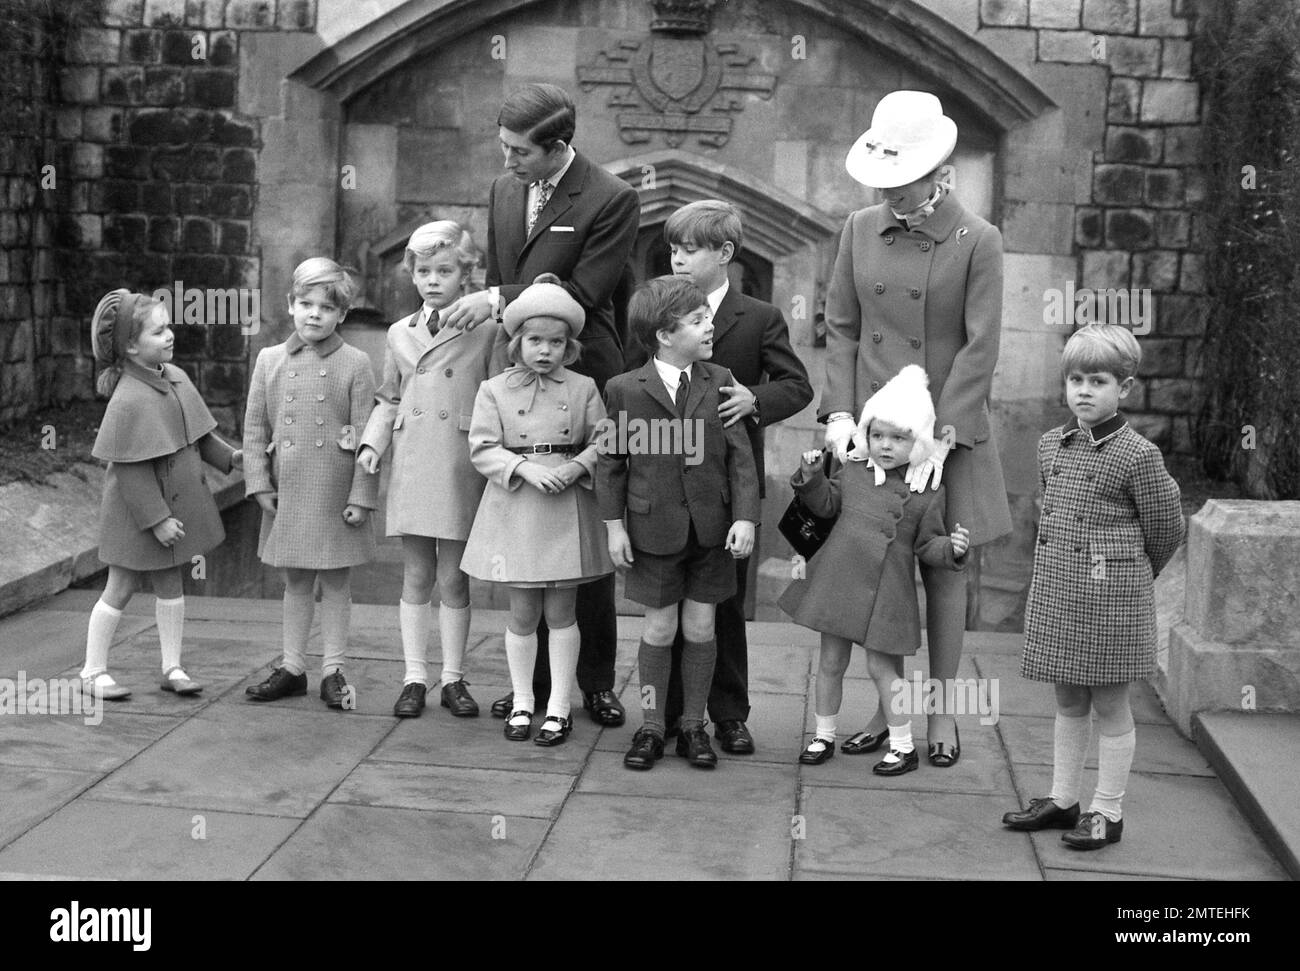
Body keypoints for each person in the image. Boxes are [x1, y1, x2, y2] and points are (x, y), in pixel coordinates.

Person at [820, 90, 1012, 765]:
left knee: (945, 569)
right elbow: (839, 327)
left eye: (903, 182)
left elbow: (981, 345)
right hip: (875, 439)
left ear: (939, 172)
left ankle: (941, 712)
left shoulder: (979, 240)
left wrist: (942, 432)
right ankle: (887, 704)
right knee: (880, 569)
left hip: (943, 439)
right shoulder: (857, 228)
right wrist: (841, 413)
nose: (890, 194)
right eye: (883, 182)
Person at [443, 82, 639, 728]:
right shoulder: (505, 190)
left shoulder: (611, 198)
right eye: (502, 148)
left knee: (584, 537)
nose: (507, 162)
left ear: (558, 147)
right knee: (527, 537)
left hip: (585, 370)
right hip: (519, 369)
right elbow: (512, 268)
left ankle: (597, 681)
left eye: (520, 151)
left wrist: (497, 297)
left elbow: (585, 289)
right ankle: (531, 688)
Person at [630, 199, 813, 755]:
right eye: (672, 249)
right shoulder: (660, 309)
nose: (677, 259)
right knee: (665, 611)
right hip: (664, 489)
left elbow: (797, 386)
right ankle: (661, 716)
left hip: (727, 485)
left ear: (725, 254)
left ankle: (728, 713)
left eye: (689, 250)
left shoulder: (757, 317)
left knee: (723, 605)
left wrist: (752, 398)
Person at [1002, 324, 1184, 849]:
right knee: (1066, 696)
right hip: (1060, 594)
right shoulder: (1051, 446)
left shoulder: (1138, 456)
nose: (1083, 390)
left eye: (1098, 380)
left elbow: (1167, 528)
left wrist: (1128, 578)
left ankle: (1108, 810)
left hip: (1112, 603)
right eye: (1075, 379)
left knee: (1110, 702)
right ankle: (1064, 799)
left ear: (1124, 388)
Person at [598, 276, 760, 771]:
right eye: (697, 321)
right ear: (665, 334)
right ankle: (651, 726)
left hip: (712, 533)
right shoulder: (625, 389)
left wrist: (746, 518)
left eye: (707, 318)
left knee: (701, 627)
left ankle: (693, 725)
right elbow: (611, 462)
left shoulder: (721, 379)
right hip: (653, 533)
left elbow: (741, 460)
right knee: (661, 629)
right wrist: (614, 526)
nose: (709, 326)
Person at [779, 366, 968, 773]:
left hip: (887, 590)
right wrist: (811, 478)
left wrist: (951, 549)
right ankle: (823, 734)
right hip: (838, 582)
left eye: (899, 438)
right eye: (878, 435)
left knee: (882, 668)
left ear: (918, 442)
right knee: (830, 662)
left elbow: (927, 544)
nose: (885, 445)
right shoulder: (853, 470)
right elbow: (826, 505)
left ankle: (902, 746)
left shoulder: (926, 491)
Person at [461, 280, 612, 745]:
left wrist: (576, 467)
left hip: (567, 502)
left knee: (564, 610)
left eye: (556, 342)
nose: (545, 351)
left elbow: (605, 439)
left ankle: (560, 707)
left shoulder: (584, 387)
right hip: (518, 504)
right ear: (517, 343)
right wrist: (523, 468)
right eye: (534, 341)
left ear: (569, 348)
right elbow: (482, 447)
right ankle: (524, 701)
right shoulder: (493, 389)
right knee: (523, 611)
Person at [356, 222, 495, 719]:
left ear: (466, 274)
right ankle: (414, 675)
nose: (433, 280)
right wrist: (373, 443)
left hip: (460, 461)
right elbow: (389, 397)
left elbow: (498, 392)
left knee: (454, 578)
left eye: (445, 270)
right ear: (412, 275)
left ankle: (454, 678)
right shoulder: (398, 333)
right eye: (423, 271)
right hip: (415, 458)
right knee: (415, 574)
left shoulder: (485, 328)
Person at [80, 289, 242, 701]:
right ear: (131, 347)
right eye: (158, 331)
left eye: (169, 326)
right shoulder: (128, 400)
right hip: (138, 517)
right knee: (120, 587)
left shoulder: (177, 378)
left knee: (172, 585)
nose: (170, 335)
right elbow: (131, 472)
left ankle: (172, 666)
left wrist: (231, 457)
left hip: (173, 510)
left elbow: (198, 435)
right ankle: (92, 670)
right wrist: (157, 520)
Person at [242, 258, 379, 709]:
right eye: (305, 303)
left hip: (335, 492)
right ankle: (293, 666)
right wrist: (258, 483)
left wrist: (362, 495)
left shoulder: (357, 363)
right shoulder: (269, 360)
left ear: (342, 314)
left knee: (337, 583)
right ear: (290, 305)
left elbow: (367, 436)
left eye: (325, 307)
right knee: (296, 581)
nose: (314, 314)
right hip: (289, 490)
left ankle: (334, 670)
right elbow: (255, 428)